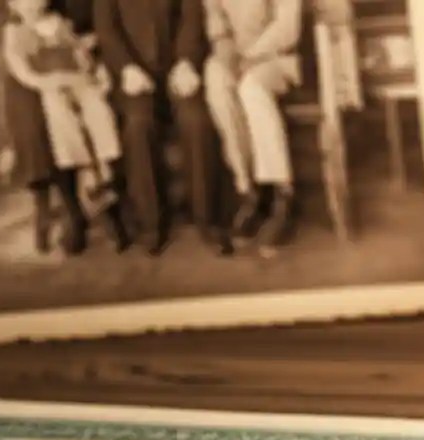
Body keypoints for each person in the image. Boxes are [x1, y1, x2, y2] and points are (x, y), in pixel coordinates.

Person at [94, 0, 230, 256]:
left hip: (177, 70)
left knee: (196, 120)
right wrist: (126, 68)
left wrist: (187, 61)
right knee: (137, 125)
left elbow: (191, 19)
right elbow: (107, 31)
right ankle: (151, 223)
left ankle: (208, 219)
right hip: (134, 76)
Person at [3, 0, 131, 254]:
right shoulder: (15, 30)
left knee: (97, 110)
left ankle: (103, 178)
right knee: (52, 121)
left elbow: (85, 44)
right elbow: (18, 65)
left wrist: (94, 62)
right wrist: (44, 81)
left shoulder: (60, 23)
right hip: (45, 83)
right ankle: (74, 207)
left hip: (82, 73)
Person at [203, 0, 303, 251]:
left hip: (276, 58)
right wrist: (227, 53)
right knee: (216, 81)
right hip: (237, 59)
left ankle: (281, 192)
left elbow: (288, 27)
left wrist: (252, 55)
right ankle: (248, 189)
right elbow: (216, 22)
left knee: (251, 88)